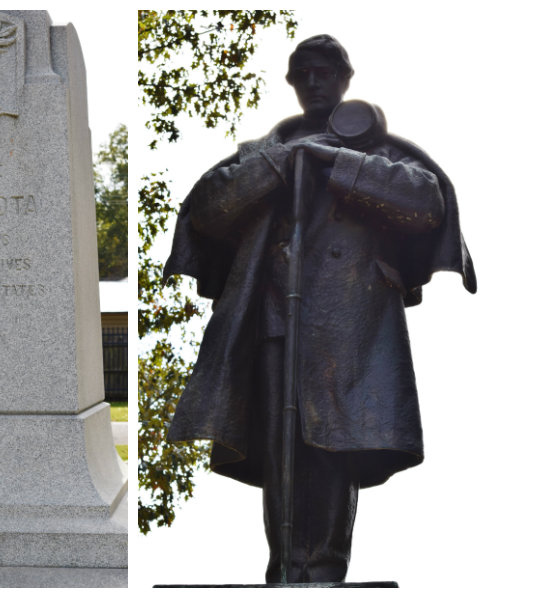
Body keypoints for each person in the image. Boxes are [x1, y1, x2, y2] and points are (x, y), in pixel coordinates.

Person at [163, 34, 476, 583]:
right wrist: (280, 166)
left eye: (324, 72)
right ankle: (285, 571)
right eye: (302, 73)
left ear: (344, 79)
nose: (313, 82)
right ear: (290, 82)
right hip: (274, 318)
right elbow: (209, 207)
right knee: (279, 446)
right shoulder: (264, 151)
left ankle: (324, 573)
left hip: (350, 324)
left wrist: (334, 162)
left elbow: (426, 201)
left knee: (333, 441)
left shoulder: (382, 152)